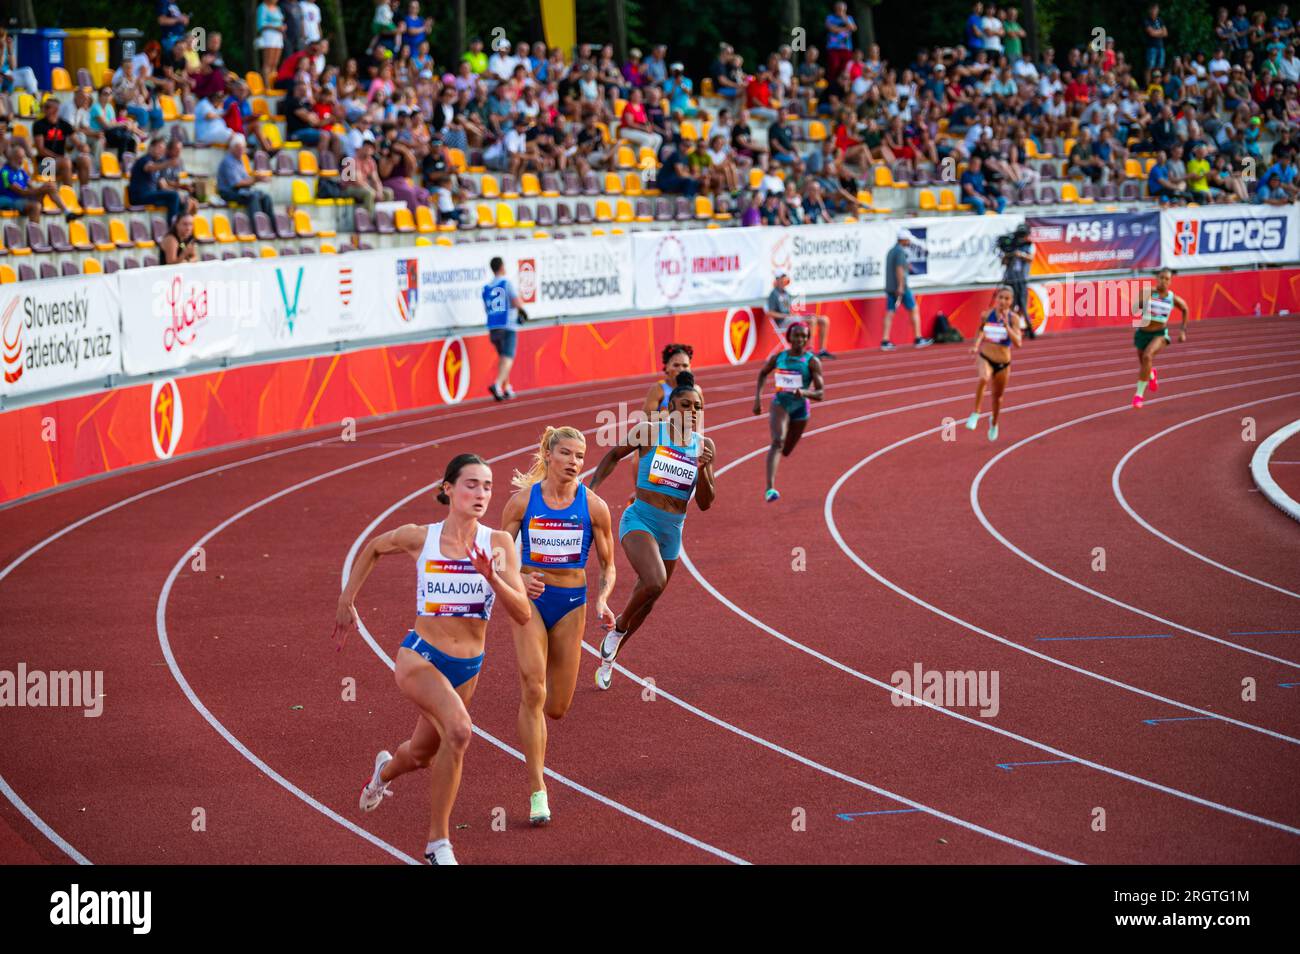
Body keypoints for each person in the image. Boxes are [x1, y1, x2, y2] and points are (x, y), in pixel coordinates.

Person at [339, 455, 529, 866]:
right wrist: (346, 598)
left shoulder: (499, 544)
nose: (481, 494)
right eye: (471, 484)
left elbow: (523, 613)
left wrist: (492, 578)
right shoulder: (418, 537)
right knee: (459, 732)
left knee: (422, 755)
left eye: (488, 486)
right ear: (448, 489)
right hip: (420, 657)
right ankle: (437, 844)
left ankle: (383, 774)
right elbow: (374, 547)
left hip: (468, 667)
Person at [501, 428, 616, 827]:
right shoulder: (521, 503)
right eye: (565, 453)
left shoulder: (595, 507)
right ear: (548, 455)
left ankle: (539, 710)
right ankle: (537, 790)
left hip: (571, 605)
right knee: (533, 689)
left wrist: (602, 599)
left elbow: (609, 565)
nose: (573, 461)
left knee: (557, 707)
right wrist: (518, 577)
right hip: (530, 602)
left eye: (580, 456)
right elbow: (500, 558)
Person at [586, 372, 716, 690]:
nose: (692, 411)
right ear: (671, 408)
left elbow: (705, 503)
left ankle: (609, 658)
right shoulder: (649, 432)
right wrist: (588, 492)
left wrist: (704, 470)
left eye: (697, 406)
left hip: (673, 530)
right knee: (655, 581)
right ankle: (618, 628)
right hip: (640, 520)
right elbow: (613, 455)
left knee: (650, 598)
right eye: (685, 405)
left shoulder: (704, 446)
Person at [753, 322, 825, 502]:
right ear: (789, 337)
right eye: (796, 335)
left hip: (801, 408)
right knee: (778, 441)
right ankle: (770, 489)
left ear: (807, 339)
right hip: (781, 404)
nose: (799, 339)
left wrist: (805, 392)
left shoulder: (812, 361)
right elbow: (762, 373)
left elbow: (820, 393)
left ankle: (778, 457)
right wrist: (757, 399)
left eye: (803, 336)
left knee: (786, 450)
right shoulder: (778, 358)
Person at [965, 285, 1023, 441]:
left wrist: (1007, 327)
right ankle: (976, 413)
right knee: (984, 378)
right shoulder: (987, 314)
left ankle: (994, 422)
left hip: (1003, 363)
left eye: (1006, 298)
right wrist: (976, 345)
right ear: (996, 298)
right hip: (985, 357)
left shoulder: (1014, 319)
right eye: (1000, 297)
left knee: (998, 398)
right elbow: (980, 330)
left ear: (1011, 301)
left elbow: (1018, 343)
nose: (1003, 301)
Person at [1131, 267, 1189, 409]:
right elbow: (1135, 308)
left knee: (1147, 357)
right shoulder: (1148, 292)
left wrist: (1182, 331)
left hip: (1160, 334)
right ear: (1157, 279)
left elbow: (1185, 309)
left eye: (1166, 279)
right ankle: (1151, 374)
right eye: (1161, 278)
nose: (1163, 281)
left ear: (1170, 282)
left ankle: (1138, 395)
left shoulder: (1171, 298)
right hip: (1142, 333)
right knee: (1143, 362)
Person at [482, 256, 528, 401]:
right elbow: (515, 301)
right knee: (508, 357)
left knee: (503, 359)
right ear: (502, 267)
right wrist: (523, 310)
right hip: (507, 324)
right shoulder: (506, 283)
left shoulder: (486, 288)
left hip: (493, 326)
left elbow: (486, 307)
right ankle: (497, 385)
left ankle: (506, 388)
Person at [0, 143, 80, 222]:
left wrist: (43, 188)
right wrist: (40, 189)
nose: (21, 161)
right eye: (18, 158)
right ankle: (34, 234)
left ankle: (67, 212)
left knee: (49, 186)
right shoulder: (5, 172)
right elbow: (21, 192)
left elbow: (31, 186)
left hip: (24, 198)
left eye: (22, 158)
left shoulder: (21, 171)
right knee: (36, 206)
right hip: (12, 200)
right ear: (11, 158)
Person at [882, 230, 933, 350]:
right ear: (903, 240)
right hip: (901, 287)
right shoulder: (900, 251)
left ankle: (885, 339)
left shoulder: (891, 251)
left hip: (890, 286)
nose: (909, 242)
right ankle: (918, 338)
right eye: (907, 239)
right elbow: (899, 269)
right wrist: (900, 286)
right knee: (914, 309)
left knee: (890, 312)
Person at [128, 136, 189, 224]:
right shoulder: (144, 159)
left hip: (151, 195)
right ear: (151, 147)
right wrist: (168, 163)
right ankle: (172, 228)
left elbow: (163, 184)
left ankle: (180, 227)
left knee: (181, 201)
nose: (161, 151)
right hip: (140, 196)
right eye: (159, 147)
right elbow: (150, 167)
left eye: (163, 149)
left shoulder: (157, 162)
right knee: (174, 195)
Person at [217, 135, 275, 220]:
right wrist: (256, 180)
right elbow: (236, 183)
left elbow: (246, 179)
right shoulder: (228, 162)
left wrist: (258, 178)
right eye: (239, 148)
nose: (242, 151)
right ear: (232, 148)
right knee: (253, 197)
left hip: (240, 191)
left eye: (243, 148)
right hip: (228, 192)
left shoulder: (240, 160)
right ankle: (257, 225)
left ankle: (270, 225)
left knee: (265, 197)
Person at [1000, 223, 1036, 340]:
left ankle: (1029, 328)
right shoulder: (1012, 245)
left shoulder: (1029, 246)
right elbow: (1004, 262)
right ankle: (1009, 329)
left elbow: (1030, 258)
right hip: (1010, 280)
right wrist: (1008, 255)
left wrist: (1019, 254)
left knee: (1023, 306)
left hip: (1022, 280)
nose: (1022, 238)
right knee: (1010, 305)